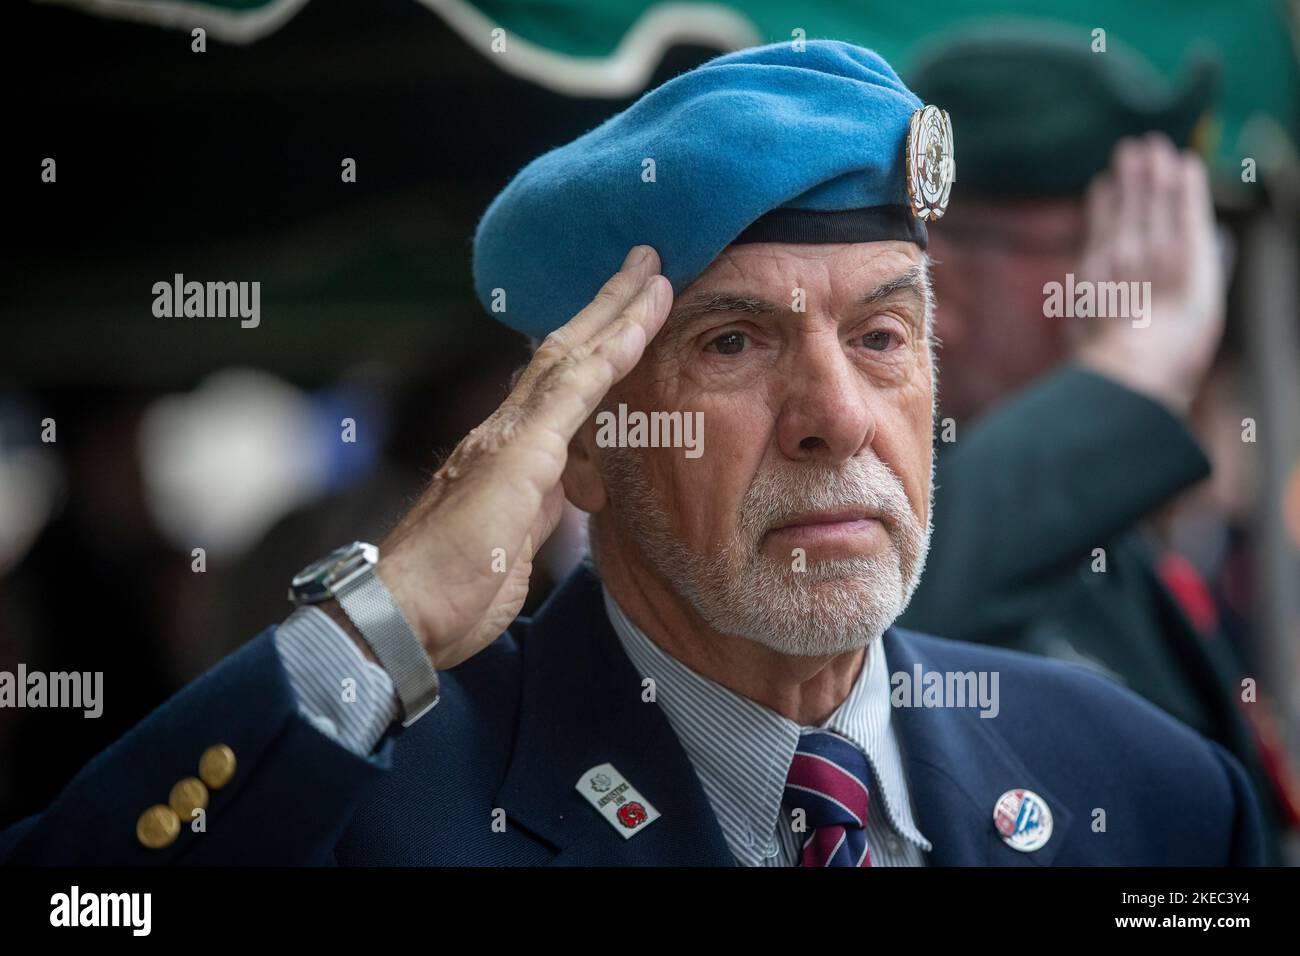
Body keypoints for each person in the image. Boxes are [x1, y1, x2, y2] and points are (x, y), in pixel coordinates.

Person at [0, 41, 1262, 866]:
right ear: (584, 442)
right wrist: (377, 626)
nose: (835, 415)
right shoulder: (381, 813)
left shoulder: (1146, 786)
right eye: (733, 343)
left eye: (880, 335)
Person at [902, 26, 1290, 859]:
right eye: (1102, 244)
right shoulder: (877, 518)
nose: (1151, 286)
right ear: (945, 283)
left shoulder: (1097, 535)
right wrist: (1128, 374)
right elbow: (900, 609)